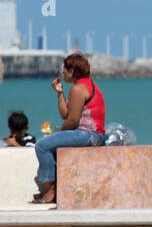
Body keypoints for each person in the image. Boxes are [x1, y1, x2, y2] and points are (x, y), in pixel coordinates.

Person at [32, 53, 107, 203]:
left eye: (65, 70)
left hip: (88, 134)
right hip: (92, 134)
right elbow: (65, 115)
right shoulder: (84, 85)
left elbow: (72, 121)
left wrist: (59, 132)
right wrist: (60, 93)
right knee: (51, 143)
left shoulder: (78, 89)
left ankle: (50, 189)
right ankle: (52, 187)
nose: (63, 73)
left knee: (42, 145)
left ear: (72, 71)